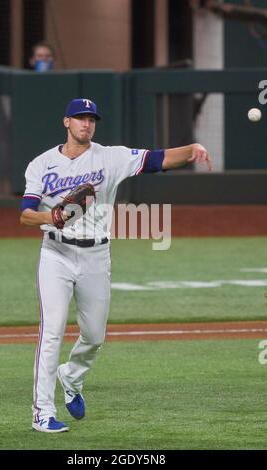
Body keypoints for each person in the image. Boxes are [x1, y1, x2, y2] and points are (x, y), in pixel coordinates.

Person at [20, 98, 212, 433]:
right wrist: (51, 217)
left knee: (94, 336)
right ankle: (42, 412)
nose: (86, 124)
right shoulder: (41, 165)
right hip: (55, 255)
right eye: (80, 118)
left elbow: (158, 158)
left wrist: (192, 147)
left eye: (91, 119)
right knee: (51, 332)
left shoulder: (110, 157)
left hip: (96, 256)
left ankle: (72, 376)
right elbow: (25, 215)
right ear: (66, 122)